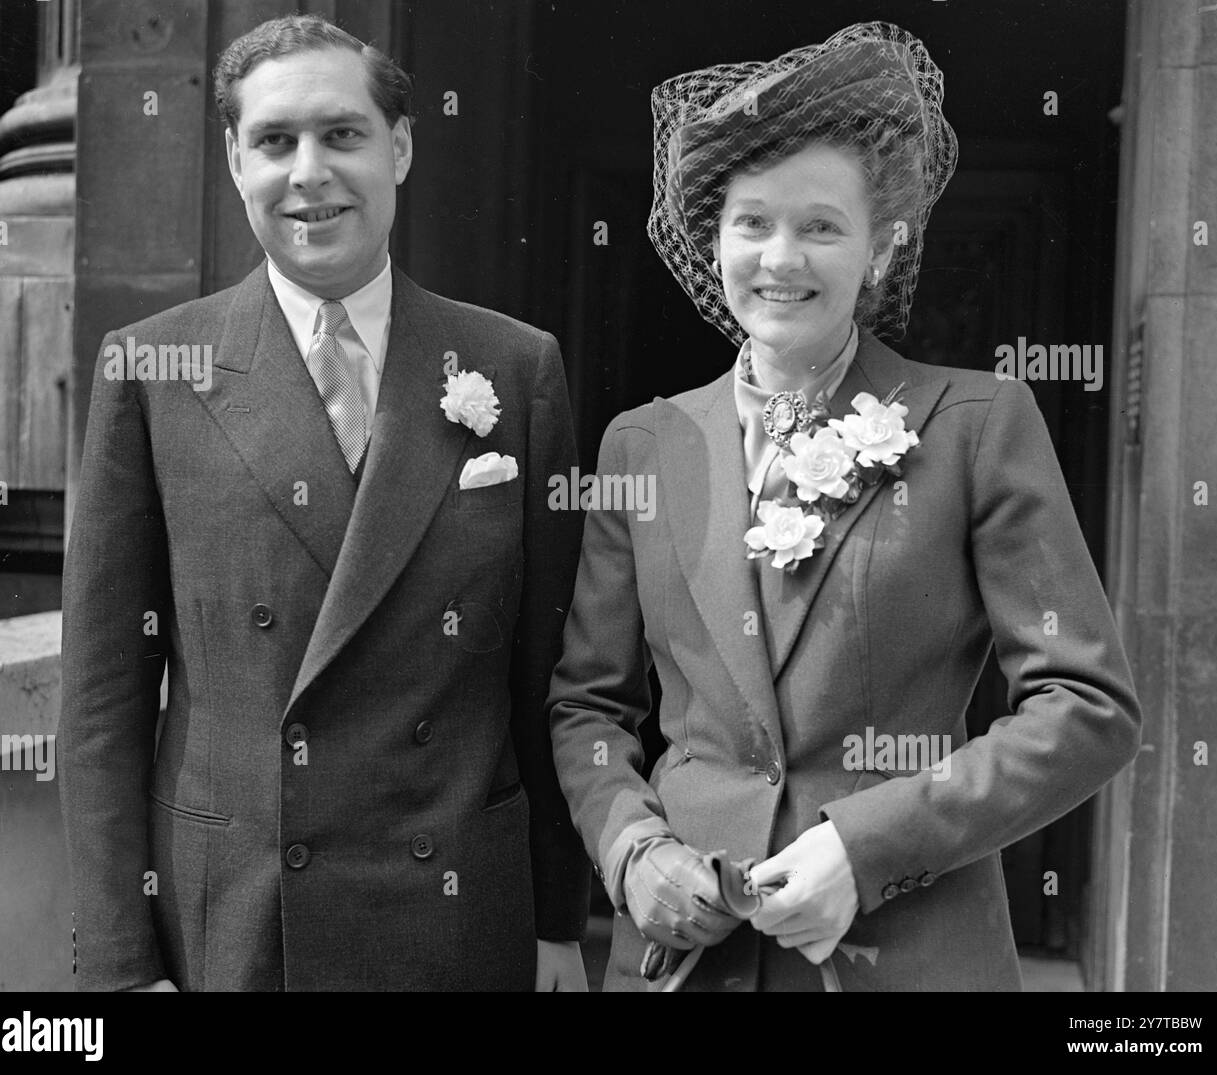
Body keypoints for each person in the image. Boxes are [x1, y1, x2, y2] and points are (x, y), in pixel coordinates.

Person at [546, 22, 1141, 991]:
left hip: (909, 953)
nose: (782, 258)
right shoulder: (641, 444)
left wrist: (864, 847)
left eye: (820, 225)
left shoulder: (976, 423)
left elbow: (1087, 706)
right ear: (712, 238)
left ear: (879, 246)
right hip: (687, 960)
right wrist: (632, 851)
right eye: (753, 223)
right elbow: (587, 706)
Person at [58, 13, 590, 991]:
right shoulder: (153, 370)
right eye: (274, 141)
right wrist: (119, 968)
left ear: (402, 146)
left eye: (342, 134)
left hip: (458, 918)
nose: (308, 173)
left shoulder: (517, 368)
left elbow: (545, 675)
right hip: (234, 925)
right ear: (233, 160)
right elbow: (102, 701)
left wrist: (558, 919)